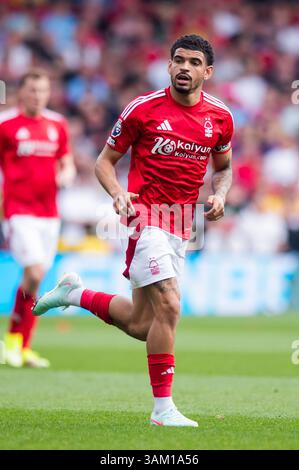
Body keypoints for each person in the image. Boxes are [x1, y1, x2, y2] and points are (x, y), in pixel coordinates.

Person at [33, 35, 233, 426]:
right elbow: (104, 162)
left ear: (207, 72)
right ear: (169, 65)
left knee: (145, 325)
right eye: (178, 60)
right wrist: (118, 193)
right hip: (145, 217)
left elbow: (223, 168)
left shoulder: (221, 117)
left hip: (182, 224)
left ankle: (75, 293)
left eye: (194, 63)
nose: (184, 68)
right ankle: (163, 410)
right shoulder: (143, 109)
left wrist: (221, 194)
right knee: (171, 306)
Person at [0, 69, 75, 368]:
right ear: (21, 93)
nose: (37, 96)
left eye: (42, 91)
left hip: (49, 213)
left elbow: (66, 159)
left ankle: (22, 345)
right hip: (18, 212)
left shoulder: (58, 124)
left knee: (37, 278)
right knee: (33, 271)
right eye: (32, 91)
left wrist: (66, 173)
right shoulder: (6, 125)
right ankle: (13, 342)